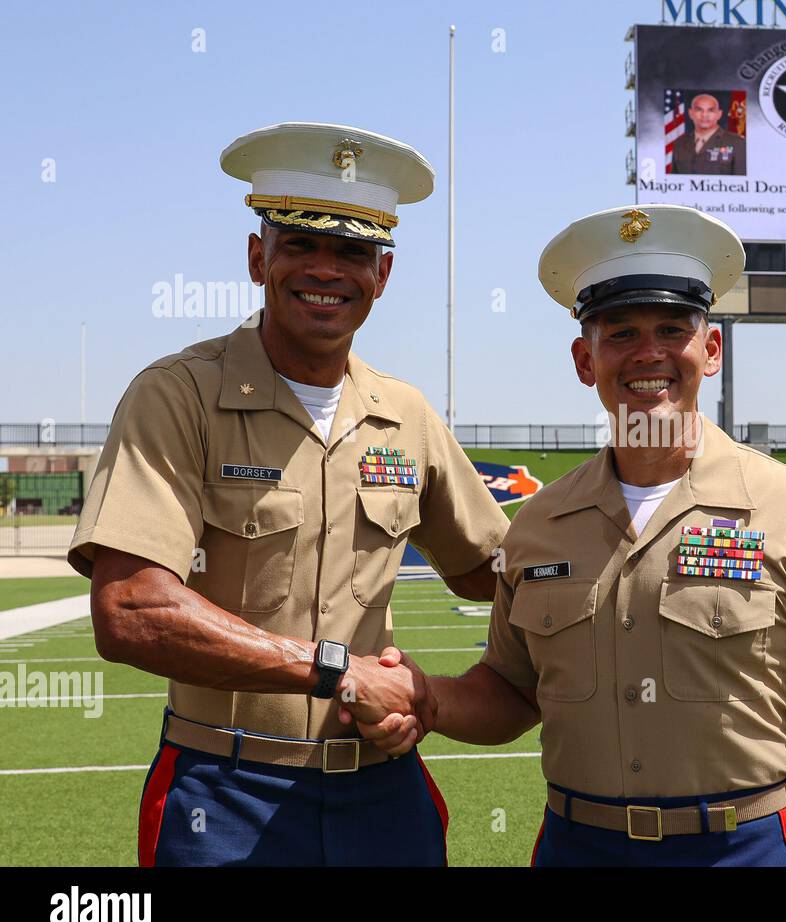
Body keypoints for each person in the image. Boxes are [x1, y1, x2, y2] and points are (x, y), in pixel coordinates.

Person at [353, 204, 786, 866]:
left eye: (672, 329)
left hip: (743, 847)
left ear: (711, 349)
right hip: (578, 846)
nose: (648, 354)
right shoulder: (537, 527)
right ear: (585, 360)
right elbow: (509, 692)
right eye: (619, 334)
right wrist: (428, 698)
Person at [67, 122, 510, 866]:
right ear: (256, 257)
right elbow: (131, 611)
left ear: (384, 273)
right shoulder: (178, 397)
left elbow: (493, 574)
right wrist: (337, 668)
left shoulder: (407, 416)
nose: (326, 270)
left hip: (382, 791)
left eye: (353, 251)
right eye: (300, 244)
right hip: (226, 792)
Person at [671, 94, 747, 175]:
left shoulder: (737, 143)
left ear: (719, 114)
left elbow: (742, 182)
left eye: (710, 110)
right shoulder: (679, 143)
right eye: (699, 110)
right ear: (691, 113)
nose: (704, 115)